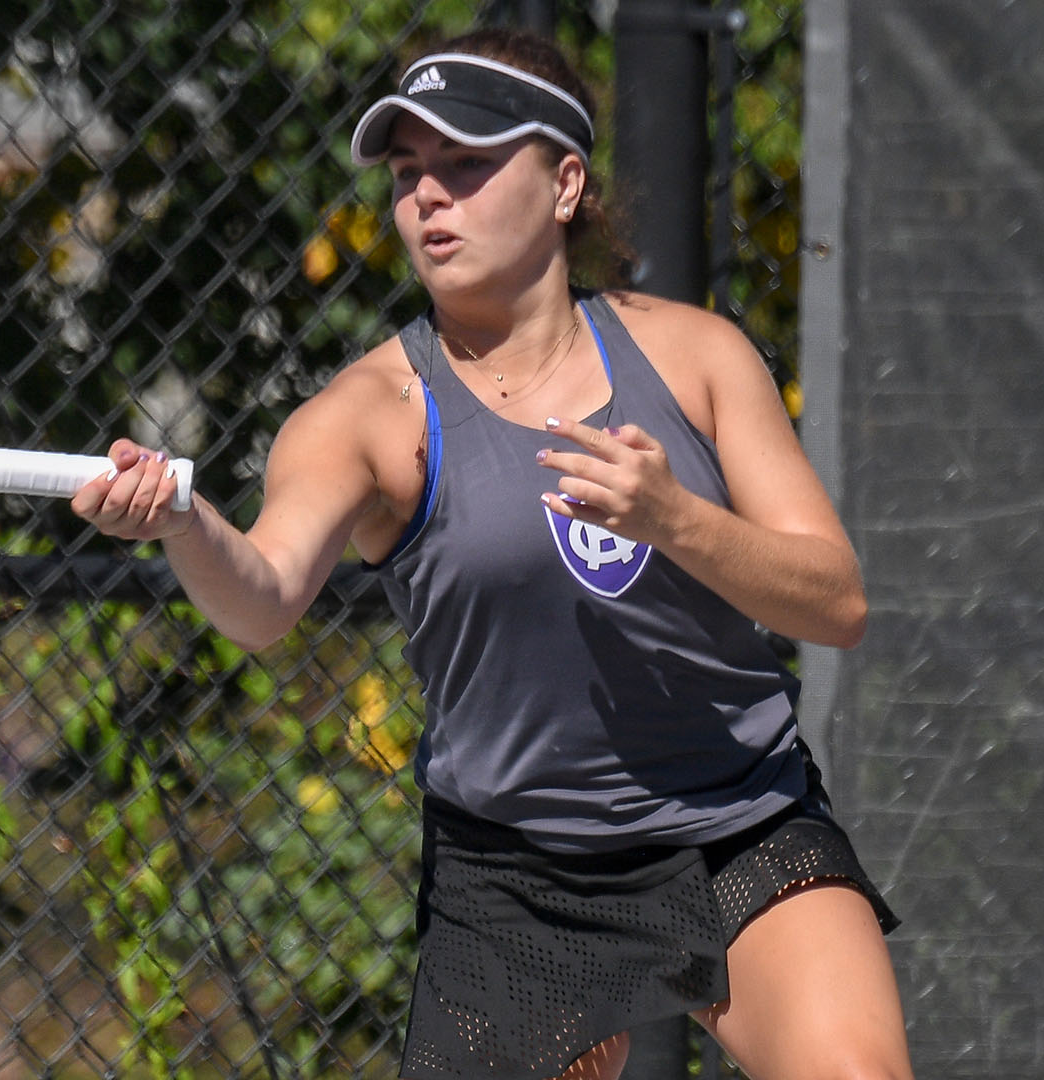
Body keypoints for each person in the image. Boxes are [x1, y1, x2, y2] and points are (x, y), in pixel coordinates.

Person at [71, 26, 912, 1080]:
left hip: (735, 825)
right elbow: (265, 597)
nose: (430, 197)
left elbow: (837, 602)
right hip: (518, 877)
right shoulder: (371, 416)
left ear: (565, 182)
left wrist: (676, 520)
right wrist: (185, 526)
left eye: (468, 163)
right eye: (409, 172)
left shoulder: (697, 357)